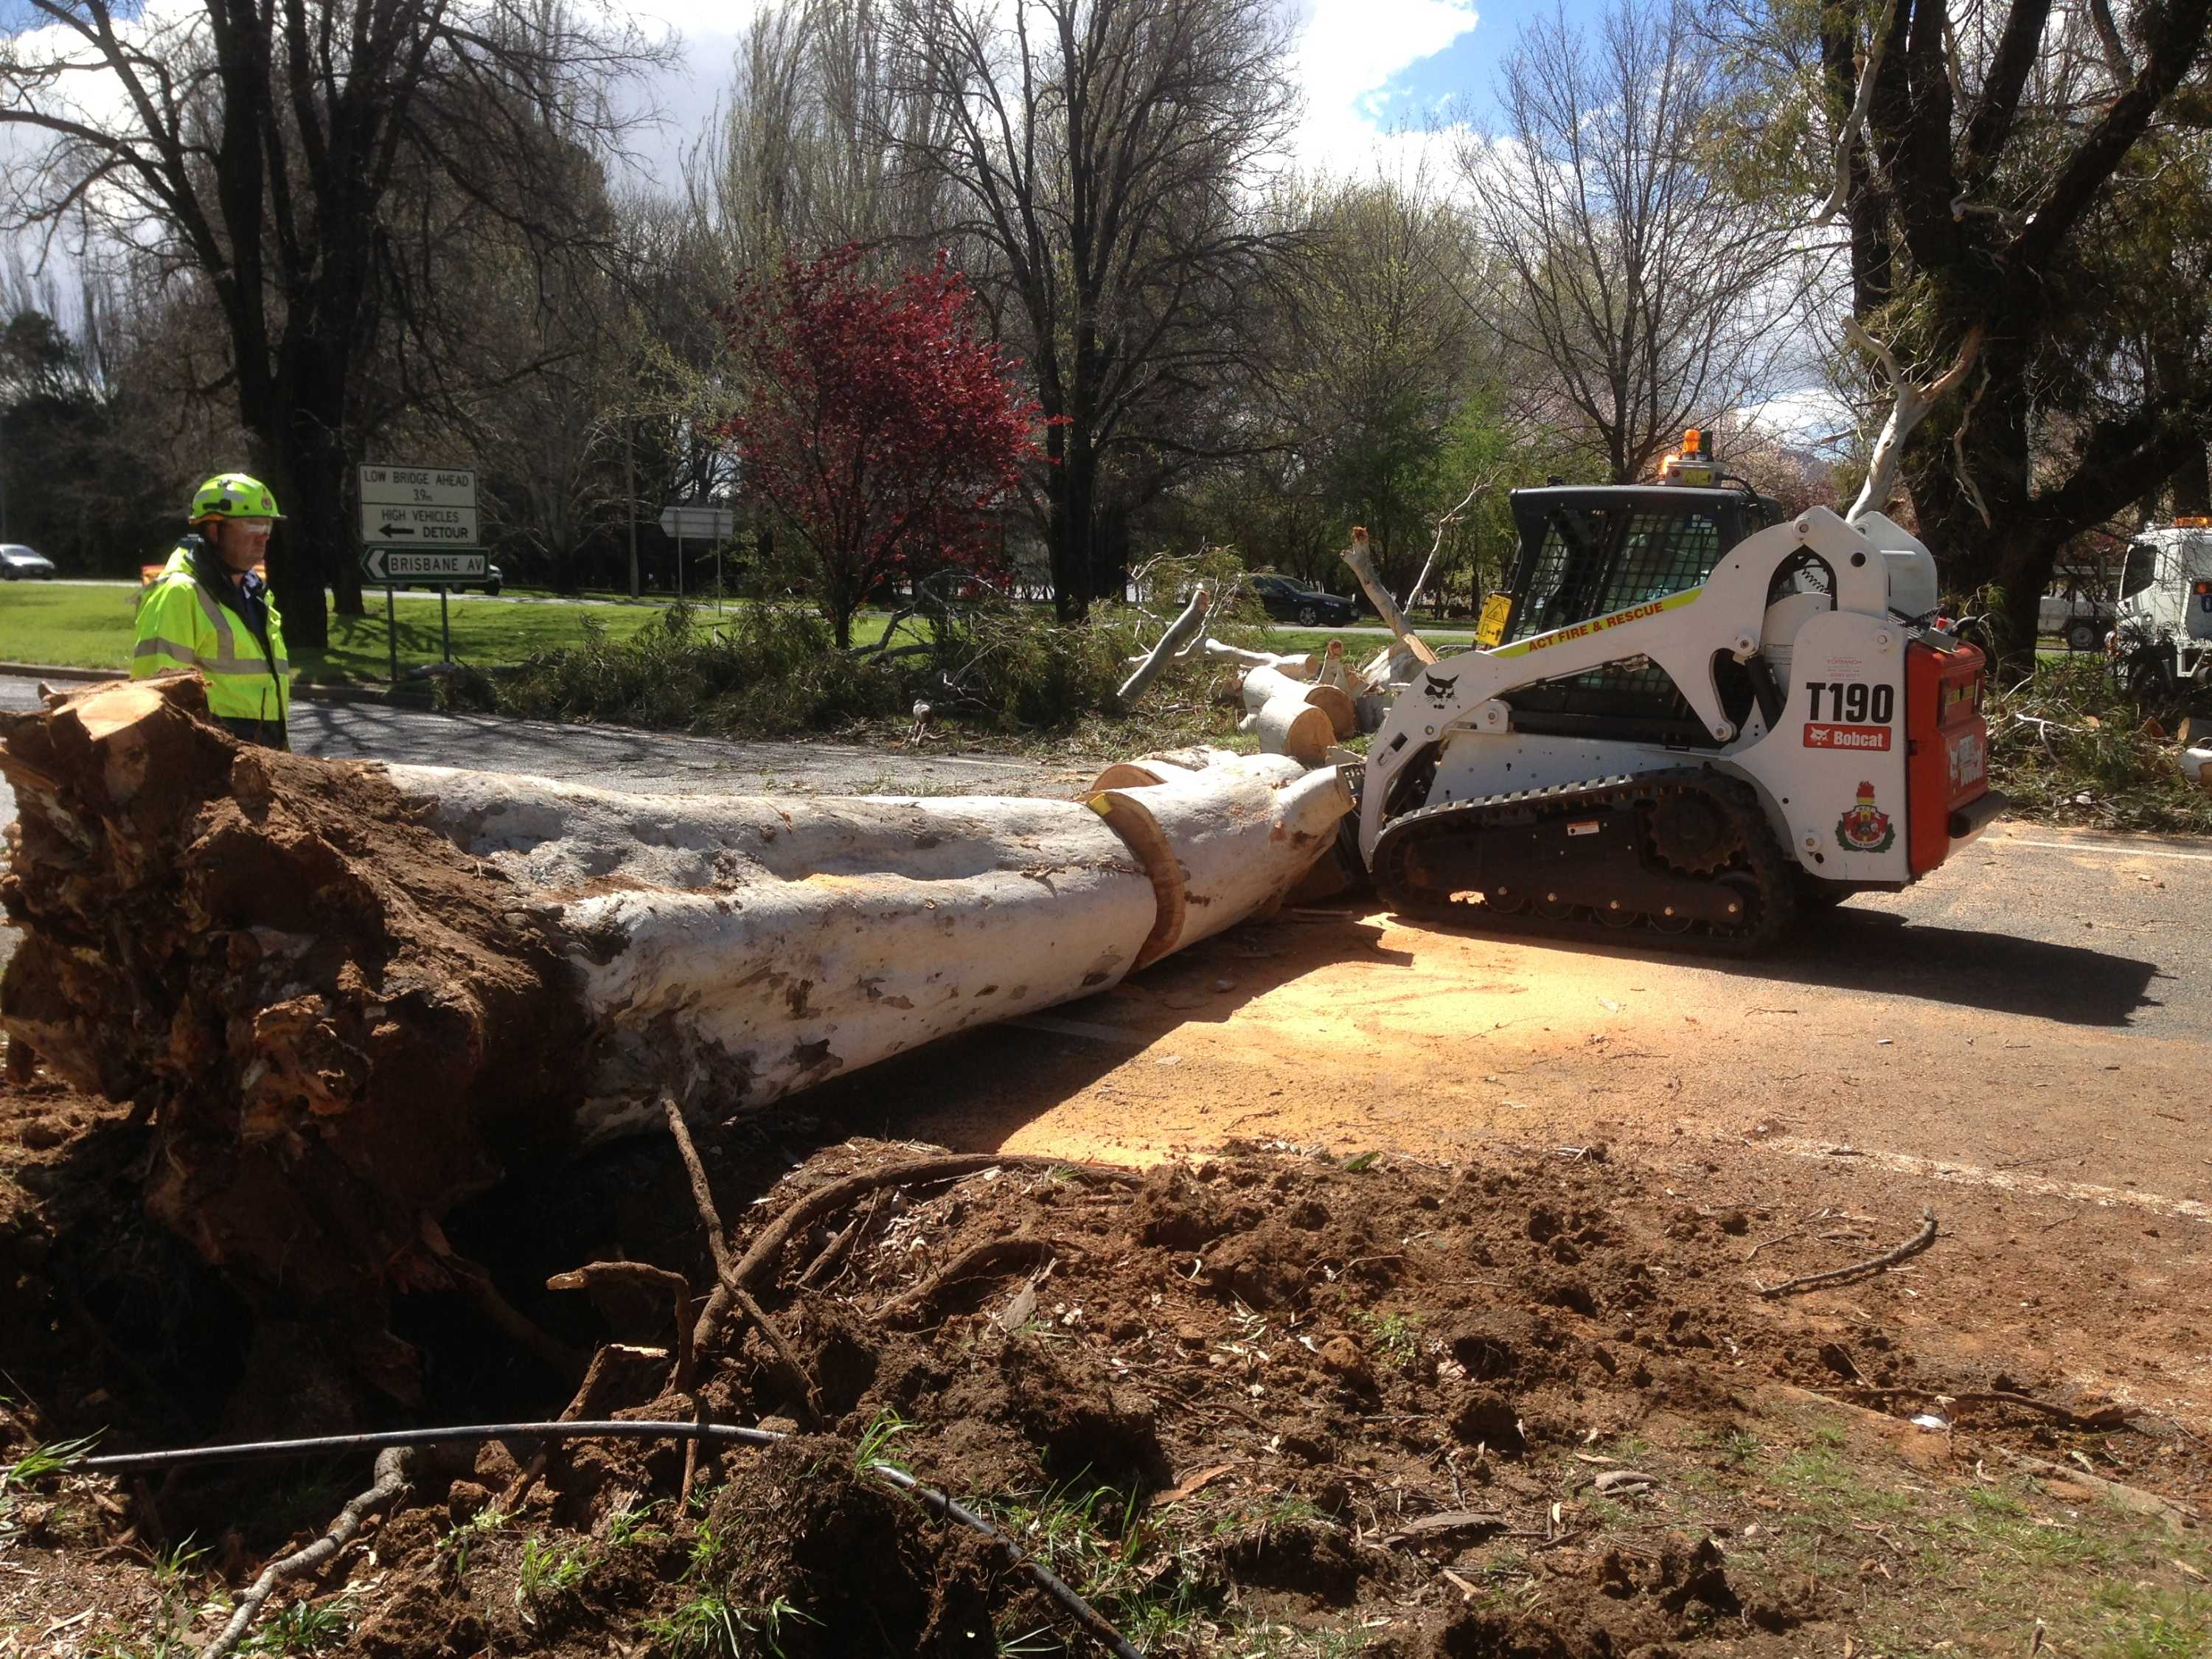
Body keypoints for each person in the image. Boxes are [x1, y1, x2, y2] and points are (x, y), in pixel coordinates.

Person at [132, 473, 292, 749]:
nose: (263, 537)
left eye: (267, 526)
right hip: (212, 760)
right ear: (214, 530)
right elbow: (157, 696)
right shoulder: (179, 593)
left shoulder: (256, 594)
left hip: (263, 758)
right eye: (252, 525)